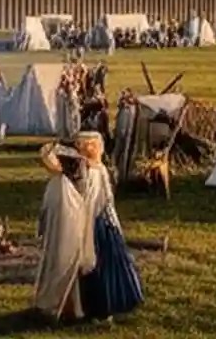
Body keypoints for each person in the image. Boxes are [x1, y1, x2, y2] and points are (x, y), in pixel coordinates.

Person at [74, 131, 144, 322]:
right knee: (103, 264)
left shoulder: (91, 172)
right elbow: (107, 198)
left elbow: (94, 199)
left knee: (97, 265)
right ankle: (102, 307)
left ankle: (100, 308)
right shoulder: (98, 170)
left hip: (94, 222)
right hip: (102, 220)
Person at [33, 142, 95, 324]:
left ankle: (67, 309)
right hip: (61, 236)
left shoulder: (62, 188)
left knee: (65, 269)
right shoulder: (59, 186)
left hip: (66, 236)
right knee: (63, 269)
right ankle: (67, 309)